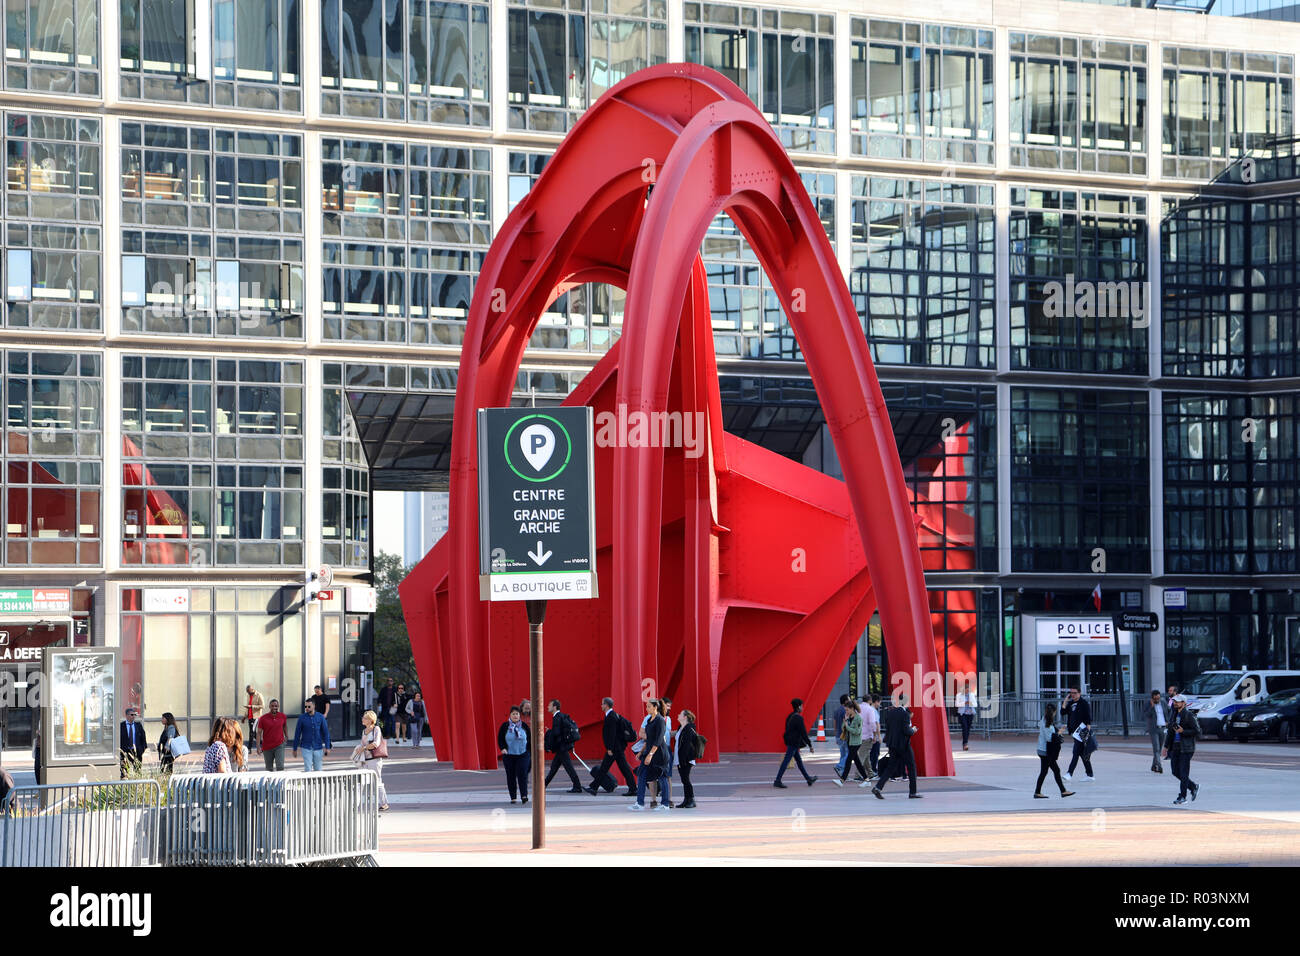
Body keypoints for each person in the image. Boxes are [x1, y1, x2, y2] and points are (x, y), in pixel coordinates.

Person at [871, 693, 920, 799]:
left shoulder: (891, 713)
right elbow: (906, 731)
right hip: (904, 745)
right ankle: (912, 792)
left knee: (890, 767)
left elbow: (890, 729)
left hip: (892, 744)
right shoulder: (905, 714)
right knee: (911, 767)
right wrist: (913, 730)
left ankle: (878, 787)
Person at [586, 697, 637, 796]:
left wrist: (609, 748)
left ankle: (594, 787)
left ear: (606, 705)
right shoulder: (611, 715)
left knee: (609, 768)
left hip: (614, 749)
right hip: (616, 748)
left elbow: (612, 734)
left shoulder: (611, 717)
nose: (601, 706)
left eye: (602, 704)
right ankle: (633, 788)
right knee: (621, 768)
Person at [629, 699, 669, 810]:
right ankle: (639, 803)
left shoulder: (660, 720)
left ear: (655, 707)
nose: (647, 708)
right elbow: (649, 739)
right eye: (646, 706)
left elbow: (658, 739)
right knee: (641, 775)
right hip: (648, 753)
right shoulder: (649, 720)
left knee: (662, 777)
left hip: (659, 754)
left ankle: (665, 804)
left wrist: (650, 754)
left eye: (649, 706)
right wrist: (641, 752)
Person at [1163, 694, 1202, 805]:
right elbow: (1170, 732)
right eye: (1174, 701)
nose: (1175, 703)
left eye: (1178, 702)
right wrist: (1166, 747)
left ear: (1184, 703)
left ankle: (1182, 796)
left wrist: (1183, 732)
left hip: (1186, 748)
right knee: (1175, 771)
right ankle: (1193, 786)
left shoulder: (1189, 715)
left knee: (1184, 772)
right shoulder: (1174, 714)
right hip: (1175, 747)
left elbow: (1197, 731)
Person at [774, 698, 818, 788]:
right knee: (786, 761)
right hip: (793, 743)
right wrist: (810, 745)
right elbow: (803, 732)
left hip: (791, 742)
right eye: (801, 705)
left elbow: (787, 728)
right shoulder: (798, 718)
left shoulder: (790, 716)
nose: (802, 707)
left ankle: (808, 779)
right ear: (798, 707)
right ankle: (777, 780)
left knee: (799, 761)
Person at [1033, 704, 1074, 799]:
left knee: (1051, 771)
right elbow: (1049, 738)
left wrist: (1058, 731)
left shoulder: (1044, 719)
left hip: (1042, 750)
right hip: (1045, 751)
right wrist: (1060, 731)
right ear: (1054, 712)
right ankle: (1039, 792)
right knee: (1048, 771)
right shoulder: (1047, 723)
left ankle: (1061, 791)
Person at [352, 710, 390, 811]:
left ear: (370, 720)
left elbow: (376, 743)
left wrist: (363, 748)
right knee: (360, 782)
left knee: (376, 781)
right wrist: (359, 748)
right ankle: (355, 804)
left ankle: (384, 803)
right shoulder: (363, 731)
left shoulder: (376, 729)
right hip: (364, 760)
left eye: (365, 718)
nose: (362, 719)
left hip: (375, 760)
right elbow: (362, 743)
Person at [544, 699, 583, 793]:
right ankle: (543, 785)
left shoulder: (557, 717)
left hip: (562, 748)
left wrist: (549, 732)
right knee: (554, 767)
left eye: (549, 705)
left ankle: (577, 786)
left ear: (554, 707)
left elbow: (557, 733)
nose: (547, 707)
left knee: (568, 767)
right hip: (563, 747)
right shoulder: (562, 716)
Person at [498, 705, 531, 804]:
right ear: (510, 715)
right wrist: (503, 748)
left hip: (523, 755)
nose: (515, 716)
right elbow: (500, 739)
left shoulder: (524, 726)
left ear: (519, 715)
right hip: (509, 755)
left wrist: (529, 751)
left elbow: (530, 738)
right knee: (511, 776)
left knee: (522, 775)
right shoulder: (505, 726)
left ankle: (524, 795)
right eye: (513, 714)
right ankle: (513, 797)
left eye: (517, 714)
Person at [1061, 687, 1095, 782]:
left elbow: (1088, 719)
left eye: (1075, 693)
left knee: (1076, 752)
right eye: (1071, 693)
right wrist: (1065, 701)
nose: (1073, 695)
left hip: (1082, 731)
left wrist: (1087, 734)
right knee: (1082, 754)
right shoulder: (1071, 703)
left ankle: (1069, 773)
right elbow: (1062, 712)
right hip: (1074, 733)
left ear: (1079, 693)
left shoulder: (1084, 704)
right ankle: (1090, 774)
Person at [833, 700, 869, 786]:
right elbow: (843, 728)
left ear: (852, 708)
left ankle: (842, 780)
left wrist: (847, 726)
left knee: (849, 760)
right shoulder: (849, 717)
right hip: (849, 741)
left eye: (847, 710)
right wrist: (845, 721)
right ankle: (866, 779)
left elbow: (857, 732)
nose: (846, 711)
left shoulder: (858, 718)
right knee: (857, 762)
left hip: (856, 742)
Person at [292, 697, 332, 771]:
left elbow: (326, 733)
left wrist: (327, 747)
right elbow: (297, 734)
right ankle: (309, 783)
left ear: (314, 706)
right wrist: (294, 749)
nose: (307, 708)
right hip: (306, 747)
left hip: (318, 748)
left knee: (318, 770)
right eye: (305, 706)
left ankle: (317, 783)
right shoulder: (302, 718)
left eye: (309, 706)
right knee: (308, 769)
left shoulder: (321, 717)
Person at [675, 709, 699, 808]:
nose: (678, 715)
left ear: (685, 717)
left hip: (686, 759)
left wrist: (683, 760)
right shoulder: (681, 727)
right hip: (680, 758)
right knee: (684, 780)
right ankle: (686, 800)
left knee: (686, 779)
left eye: (680, 714)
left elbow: (686, 746)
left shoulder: (688, 729)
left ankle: (691, 800)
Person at [257, 698, 289, 771]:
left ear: (278, 706)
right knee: (269, 769)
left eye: (276, 706)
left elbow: (284, 726)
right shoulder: (263, 718)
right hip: (267, 747)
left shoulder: (283, 716)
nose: (274, 707)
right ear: (269, 706)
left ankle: (280, 782)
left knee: (280, 767)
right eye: (272, 706)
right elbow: (259, 733)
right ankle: (270, 782)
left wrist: (286, 736)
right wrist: (258, 746)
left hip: (279, 745)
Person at [1141, 690, 1169, 774]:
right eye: (1155, 699)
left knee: (1159, 749)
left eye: (1158, 698)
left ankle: (1154, 765)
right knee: (1156, 748)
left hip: (1163, 728)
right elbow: (1145, 715)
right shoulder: (1148, 704)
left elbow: (1169, 711)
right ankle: (1159, 766)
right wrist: (1152, 706)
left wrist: (1168, 721)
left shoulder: (1163, 703)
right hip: (1153, 729)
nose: (1157, 700)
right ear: (1152, 698)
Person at [119, 706, 147, 777]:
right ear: (126, 715)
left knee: (137, 772)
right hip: (125, 752)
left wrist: (142, 749)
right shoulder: (121, 726)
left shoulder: (138, 725)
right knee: (124, 772)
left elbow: (143, 738)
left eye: (134, 715)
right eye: (132, 715)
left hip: (136, 752)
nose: (133, 716)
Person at [859, 695, 881, 779]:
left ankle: (871, 773)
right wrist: (875, 735)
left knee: (866, 755)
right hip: (868, 735)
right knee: (862, 756)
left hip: (859, 735)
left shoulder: (858, 707)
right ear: (870, 700)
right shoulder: (870, 709)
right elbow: (873, 723)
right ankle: (858, 774)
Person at [955, 684, 977, 751]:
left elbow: (976, 704)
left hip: (970, 713)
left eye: (968, 690)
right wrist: (964, 703)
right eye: (966, 690)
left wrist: (970, 703)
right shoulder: (959, 695)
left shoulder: (972, 695)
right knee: (964, 727)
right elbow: (956, 704)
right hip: (962, 713)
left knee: (968, 728)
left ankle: (965, 742)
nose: (968, 691)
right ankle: (965, 744)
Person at [833, 694, 850, 776]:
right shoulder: (846, 711)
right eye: (849, 699)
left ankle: (842, 773)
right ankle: (839, 766)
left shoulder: (837, 710)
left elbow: (835, 723)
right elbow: (846, 723)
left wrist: (835, 734)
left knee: (843, 754)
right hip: (845, 735)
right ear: (846, 701)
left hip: (838, 735)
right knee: (849, 753)